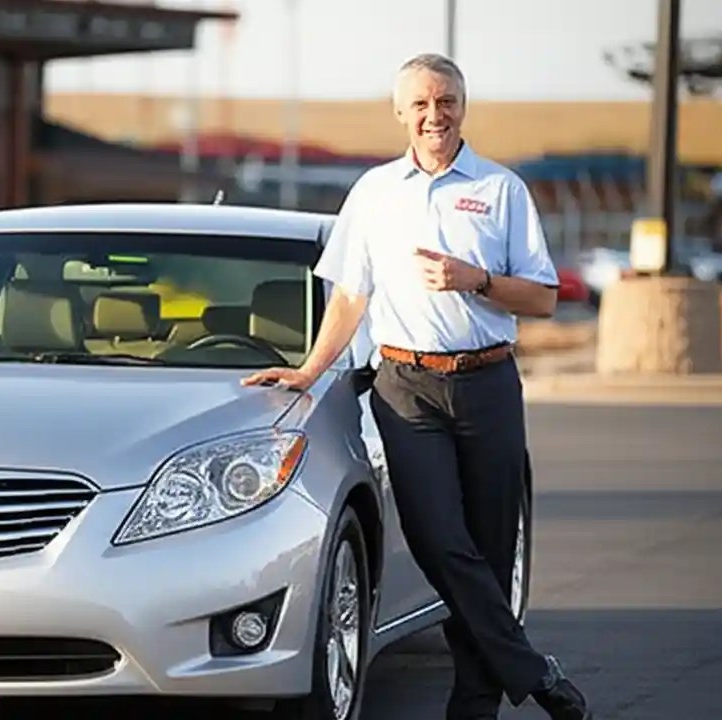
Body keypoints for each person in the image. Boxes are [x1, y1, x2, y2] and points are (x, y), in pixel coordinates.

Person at [242, 53, 593, 720]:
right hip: (406, 388)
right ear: (401, 112)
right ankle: (534, 672)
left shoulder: (500, 190)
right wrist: (312, 369)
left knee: (487, 553)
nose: (436, 115)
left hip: (487, 383)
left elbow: (544, 299)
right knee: (437, 539)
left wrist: (476, 280)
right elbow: (351, 294)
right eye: (422, 104)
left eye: (448, 101)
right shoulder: (374, 192)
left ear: (464, 106)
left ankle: (475, 705)